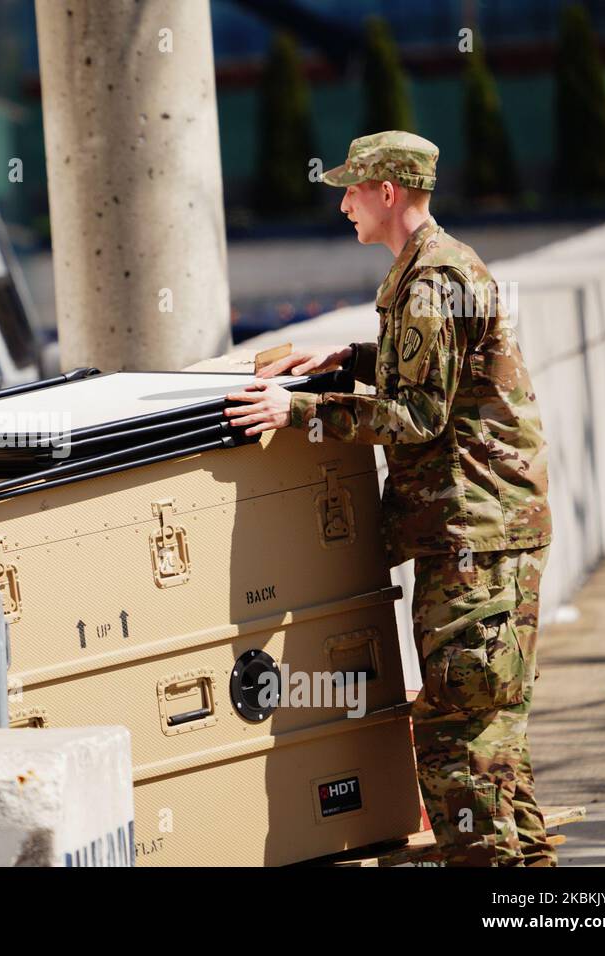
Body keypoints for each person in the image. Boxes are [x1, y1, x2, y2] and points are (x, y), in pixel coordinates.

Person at [225, 131, 555, 866]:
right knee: (489, 732)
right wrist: (351, 359)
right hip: (480, 533)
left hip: (476, 538)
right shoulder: (433, 268)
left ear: (387, 192)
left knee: (457, 738)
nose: (342, 203)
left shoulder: (433, 280)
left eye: (351, 189)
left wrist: (301, 412)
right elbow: (434, 373)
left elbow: (416, 417)